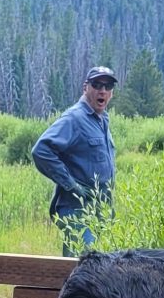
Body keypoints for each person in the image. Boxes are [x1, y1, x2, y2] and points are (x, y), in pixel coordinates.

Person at [33, 66, 118, 256]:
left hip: (99, 211)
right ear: (85, 88)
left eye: (108, 85)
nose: (102, 90)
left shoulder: (102, 119)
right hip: (77, 210)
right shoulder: (74, 118)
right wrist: (71, 185)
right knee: (82, 265)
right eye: (97, 85)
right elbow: (41, 150)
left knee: (100, 269)